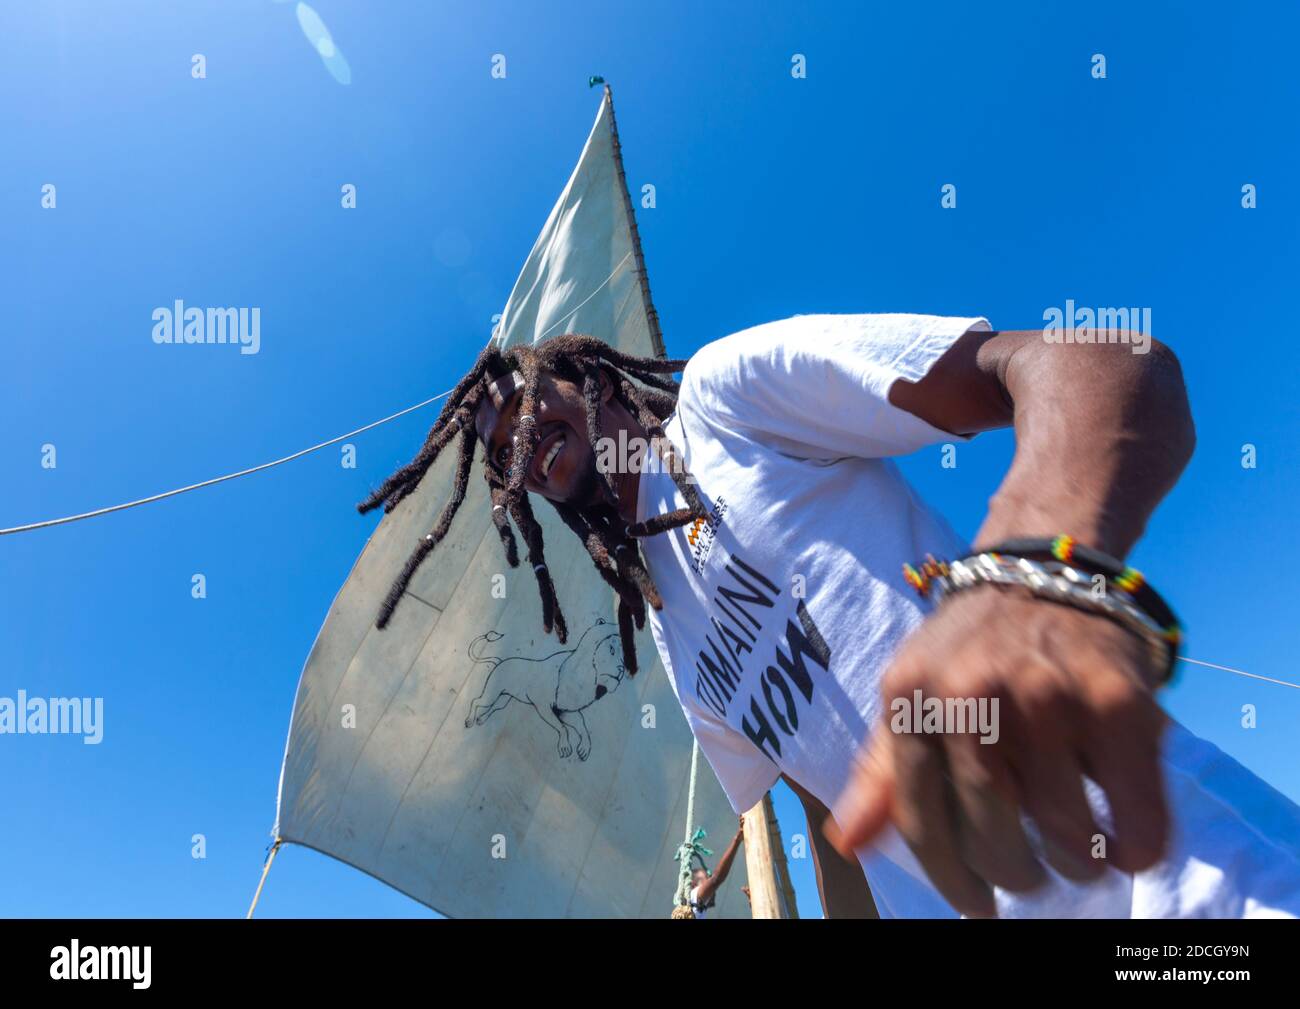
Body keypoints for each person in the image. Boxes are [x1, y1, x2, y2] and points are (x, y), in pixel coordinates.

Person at [360, 316, 1300, 918]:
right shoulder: (672, 635)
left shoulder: (730, 402)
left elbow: (1101, 367)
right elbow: (827, 812)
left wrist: (1018, 578)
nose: (515, 450)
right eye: (497, 458)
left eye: (519, 414)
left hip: (1181, 897)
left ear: (591, 381)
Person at [685, 818, 745, 919]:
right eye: (706, 879)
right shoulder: (693, 898)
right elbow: (716, 880)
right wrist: (737, 840)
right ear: (693, 885)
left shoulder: (698, 911)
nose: (709, 883)